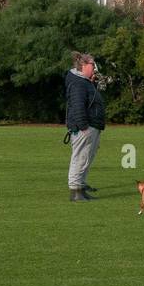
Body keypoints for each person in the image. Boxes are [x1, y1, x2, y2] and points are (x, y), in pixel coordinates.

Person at [65, 51, 105, 202]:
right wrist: (84, 127)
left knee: (85, 157)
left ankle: (80, 187)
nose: (94, 68)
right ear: (83, 65)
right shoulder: (78, 83)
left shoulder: (83, 82)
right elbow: (77, 107)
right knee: (81, 158)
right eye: (92, 65)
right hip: (84, 128)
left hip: (89, 126)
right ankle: (76, 191)